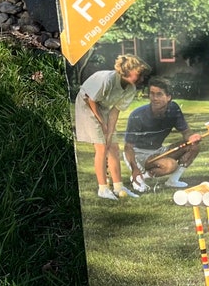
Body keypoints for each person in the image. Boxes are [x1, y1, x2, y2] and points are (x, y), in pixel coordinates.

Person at [74, 54, 152, 200]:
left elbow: (114, 111)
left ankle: (118, 187)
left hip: (102, 107)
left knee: (113, 147)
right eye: (139, 75)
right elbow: (91, 100)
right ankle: (102, 189)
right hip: (86, 105)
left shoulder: (130, 89)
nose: (142, 79)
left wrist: (109, 133)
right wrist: (102, 124)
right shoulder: (109, 79)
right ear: (127, 71)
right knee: (102, 148)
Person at [123, 77, 202, 191]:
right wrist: (134, 168)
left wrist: (191, 137)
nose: (154, 98)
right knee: (170, 165)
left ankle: (173, 181)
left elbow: (185, 132)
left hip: (157, 151)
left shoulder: (174, 108)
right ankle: (139, 177)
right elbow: (128, 147)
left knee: (193, 146)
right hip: (138, 154)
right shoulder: (138, 115)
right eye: (152, 94)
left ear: (169, 97)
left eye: (159, 94)